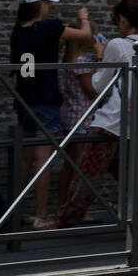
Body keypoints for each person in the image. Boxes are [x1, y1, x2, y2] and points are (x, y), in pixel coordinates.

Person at [54, 0, 138, 228]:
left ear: (123, 20)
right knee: (126, 171)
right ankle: (135, 210)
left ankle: (66, 218)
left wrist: (99, 57)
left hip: (115, 121)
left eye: (117, 21)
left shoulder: (117, 44)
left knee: (89, 172)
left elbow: (98, 86)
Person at [10, 0, 97, 228]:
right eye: (46, 2)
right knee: (43, 160)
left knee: (25, 160)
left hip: (24, 99)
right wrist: (84, 18)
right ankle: (40, 215)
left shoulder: (19, 31)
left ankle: (13, 213)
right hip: (45, 100)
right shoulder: (49, 27)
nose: (49, 6)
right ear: (39, 5)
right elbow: (85, 36)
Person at [56, 19, 105, 218]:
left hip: (70, 116)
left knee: (69, 167)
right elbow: (92, 90)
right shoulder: (82, 60)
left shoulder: (71, 58)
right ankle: (72, 211)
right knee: (79, 169)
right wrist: (101, 58)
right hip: (81, 119)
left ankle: (62, 208)